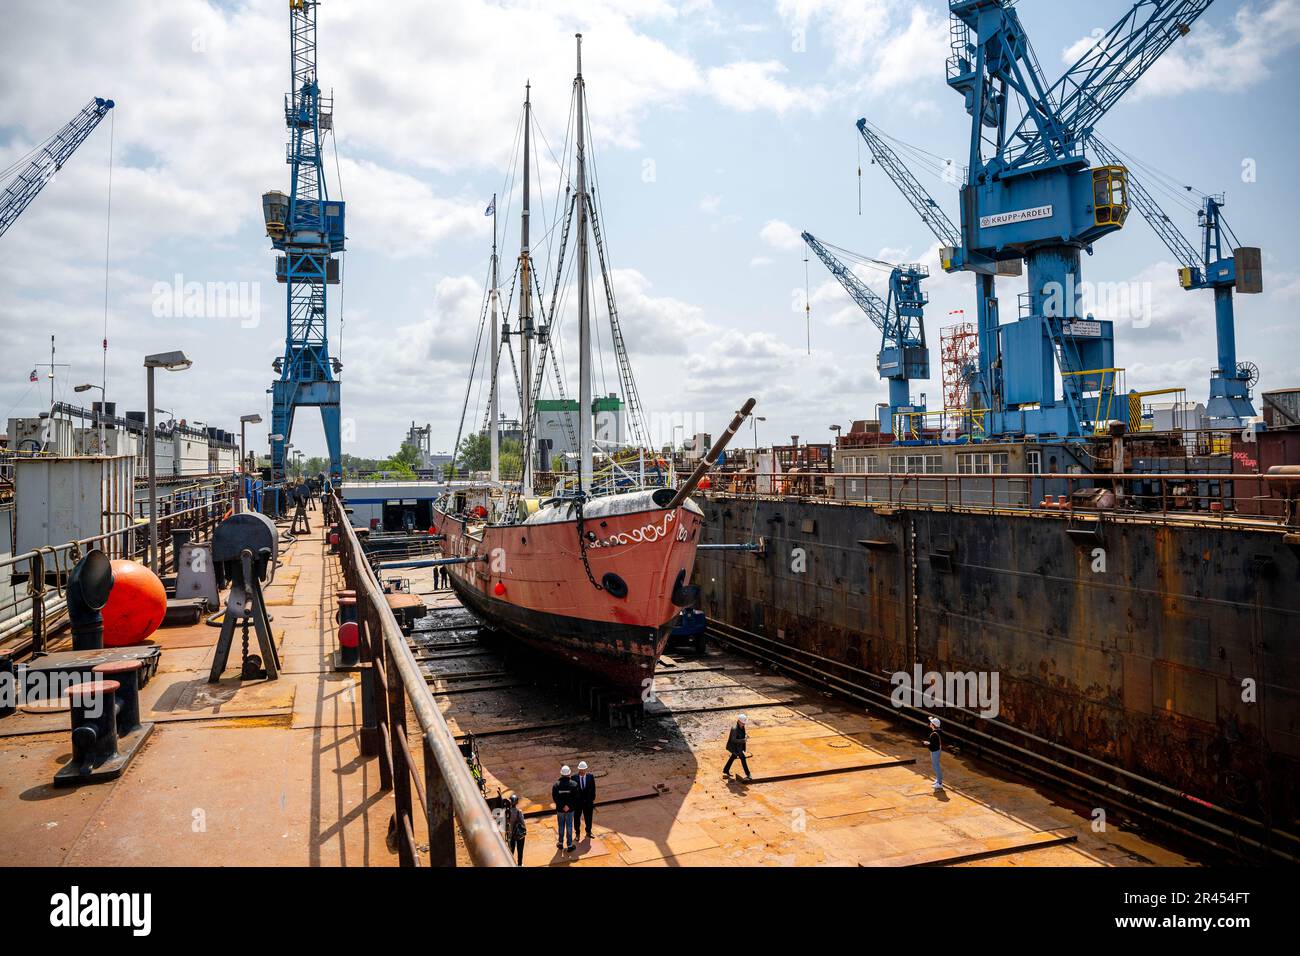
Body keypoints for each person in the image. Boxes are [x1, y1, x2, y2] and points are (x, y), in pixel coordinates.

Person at [552, 764, 580, 852]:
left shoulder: (556, 785)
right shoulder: (574, 784)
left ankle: (560, 843)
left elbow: (555, 797)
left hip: (560, 810)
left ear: (561, 774)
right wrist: (568, 806)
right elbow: (576, 798)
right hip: (570, 810)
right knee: (569, 826)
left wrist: (562, 806)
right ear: (569, 774)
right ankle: (569, 845)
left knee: (560, 826)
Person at [723, 714, 752, 780]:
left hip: (738, 747)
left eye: (744, 723)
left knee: (733, 756)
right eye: (743, 723)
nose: (744, 724)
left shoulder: (741, 727)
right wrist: (743, 740)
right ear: (739, 721)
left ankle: (725, 770)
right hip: (735, 747)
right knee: (743, 758)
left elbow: (741, 734)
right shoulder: (734, 729)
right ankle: (748, 774)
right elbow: (733, 740)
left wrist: (745, 736)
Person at [573, 760, 596, 840]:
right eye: (581, 769)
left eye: (583, 769)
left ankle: (588, 831)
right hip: (577, 804)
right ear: (579, 769)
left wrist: (592, 800)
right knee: (576, 818)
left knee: (589, 817)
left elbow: (593, 789)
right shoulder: (574, 778)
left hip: (588, 803)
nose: (582, 771)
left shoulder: (590, 777)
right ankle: (577, 833)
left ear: (586, 769)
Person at [504, 793, 527, 865]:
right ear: (516, 802)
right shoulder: (519, 812)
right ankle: (520, 864)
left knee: (511, 851)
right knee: (520, 851)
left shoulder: (506, 813)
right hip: (519, 835)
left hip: (510, 835)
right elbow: (523, 824)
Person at [926, 716, 943, 790]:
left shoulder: (934, 734)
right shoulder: (937, 731)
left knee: (936, 766)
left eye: (931, 723)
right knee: (935, 765)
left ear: (933, 725)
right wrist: (931, 718)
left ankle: (939, 783)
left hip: (935, 751)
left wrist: (926, 743)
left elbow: (933, 745)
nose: (930, 723)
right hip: (937, 750)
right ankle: (938, 779)